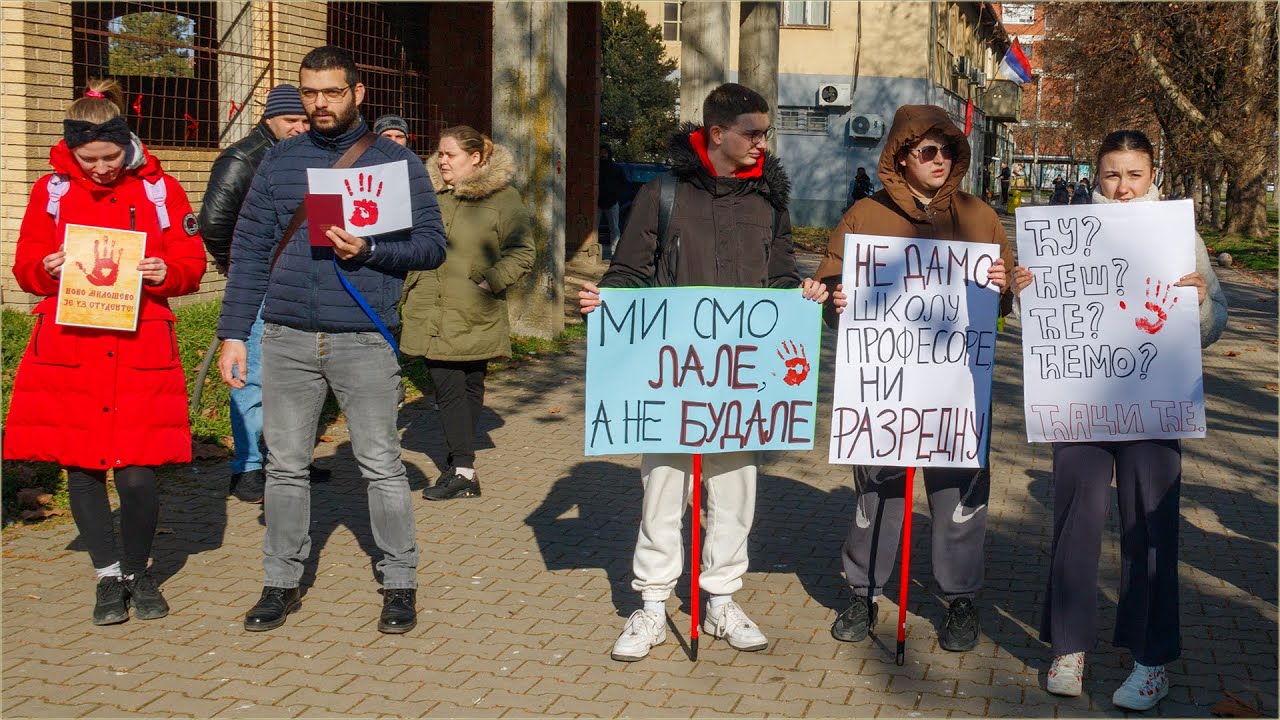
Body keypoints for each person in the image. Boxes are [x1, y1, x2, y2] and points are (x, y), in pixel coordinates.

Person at [578, 83, 830, 662]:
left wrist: (801, 294)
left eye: (765, 133)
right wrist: (605, 303)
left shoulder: (769, 199)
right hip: (674, 380)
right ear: (717, 134)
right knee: (663, 489)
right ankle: (651, 604)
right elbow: (630, 272)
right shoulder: (663, 194)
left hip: (739, 385)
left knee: (736, 491)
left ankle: (719, 599)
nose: (763, 143)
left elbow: (779, 276)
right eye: (753, 133)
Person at [215, 45, 447, 634]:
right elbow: (248, 252)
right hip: (288, 335)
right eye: (310, 92)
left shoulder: (397, 166)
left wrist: (371, 250)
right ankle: (280, 581)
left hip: (364, 337)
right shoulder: (281, 161)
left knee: (381, 465)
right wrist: (235, 333)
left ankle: (399, 582)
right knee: (286, 467)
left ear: (357, 92)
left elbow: (432, 246)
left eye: (332, 92)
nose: (319, 103)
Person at [1010, 129, 1227, 710]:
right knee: (1075, 522)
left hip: (1155, 406)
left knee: (1151, 532)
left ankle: (1151, 659)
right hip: (1080, 403)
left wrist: (1200, 301)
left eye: (1135, 174)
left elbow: (1214, 321)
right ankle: (1069, 647)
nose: (1123, 187)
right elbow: (1039, 320)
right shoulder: (1064, 231)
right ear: (1095, 174)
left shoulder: (1180, 235)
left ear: (1152, 174)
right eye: (1112, 174)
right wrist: (1025, 291)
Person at [5, 79, 207, 625]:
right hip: (72, 345)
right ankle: (106, 576)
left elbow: (192, 259)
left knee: (138, 474)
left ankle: (140, 571)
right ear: (70, 151)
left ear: (128, 142)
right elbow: (23, 264)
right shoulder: (50, 191)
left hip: (140, 342)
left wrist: (172, 272)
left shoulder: (160, 190)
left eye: (111, 156)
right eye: (87, 158)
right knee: (84, 470)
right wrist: (41, 271)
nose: (100, 168)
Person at [814, 105, 1011, 653]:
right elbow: (834, 288)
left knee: (959, 493)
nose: (941, 161)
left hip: (956, 388)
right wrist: (837, 298)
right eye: (928, 151)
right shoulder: (865, 216)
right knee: (878, 488)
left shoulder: (979, 216)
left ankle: (960, 597)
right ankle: (863, 591)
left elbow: (1001, 301)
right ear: (901, 156)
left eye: (949, 151)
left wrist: (1004, 284)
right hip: (885, 384)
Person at [199, 84, 330, 504]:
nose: (299, 127)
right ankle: (249, 467)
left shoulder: (315, 156)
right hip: (258, 285)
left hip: (302, 283)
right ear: (269, 119)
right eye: (291, 120)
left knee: (297, 375)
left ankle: (288, 458)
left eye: (305, 120)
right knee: (252, 374)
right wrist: (236, 263)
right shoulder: (241, 158)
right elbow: (214, 221)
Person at [401, 126, 536, 501]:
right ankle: (462, 464)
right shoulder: (428, 194)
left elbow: (523, 251)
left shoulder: (503, 198)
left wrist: (490, 282)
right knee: (449, 386)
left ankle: (462, 469)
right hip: (433, 310)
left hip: (475, 310)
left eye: (451, 155)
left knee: (470, 386)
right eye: (440, 154)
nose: (442, 161)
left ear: (475, 158)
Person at [597, 144, 628, 255]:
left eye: (605, 152)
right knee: (593, 230)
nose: (603, 155)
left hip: (612, 203)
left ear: (609, 153)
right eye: (601, 152)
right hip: (596, 203)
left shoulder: (616, 168)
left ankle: (616, 254)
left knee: (614, 229)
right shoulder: (595, 167)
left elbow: (624, 184)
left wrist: (616, 197)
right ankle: (593, 251)